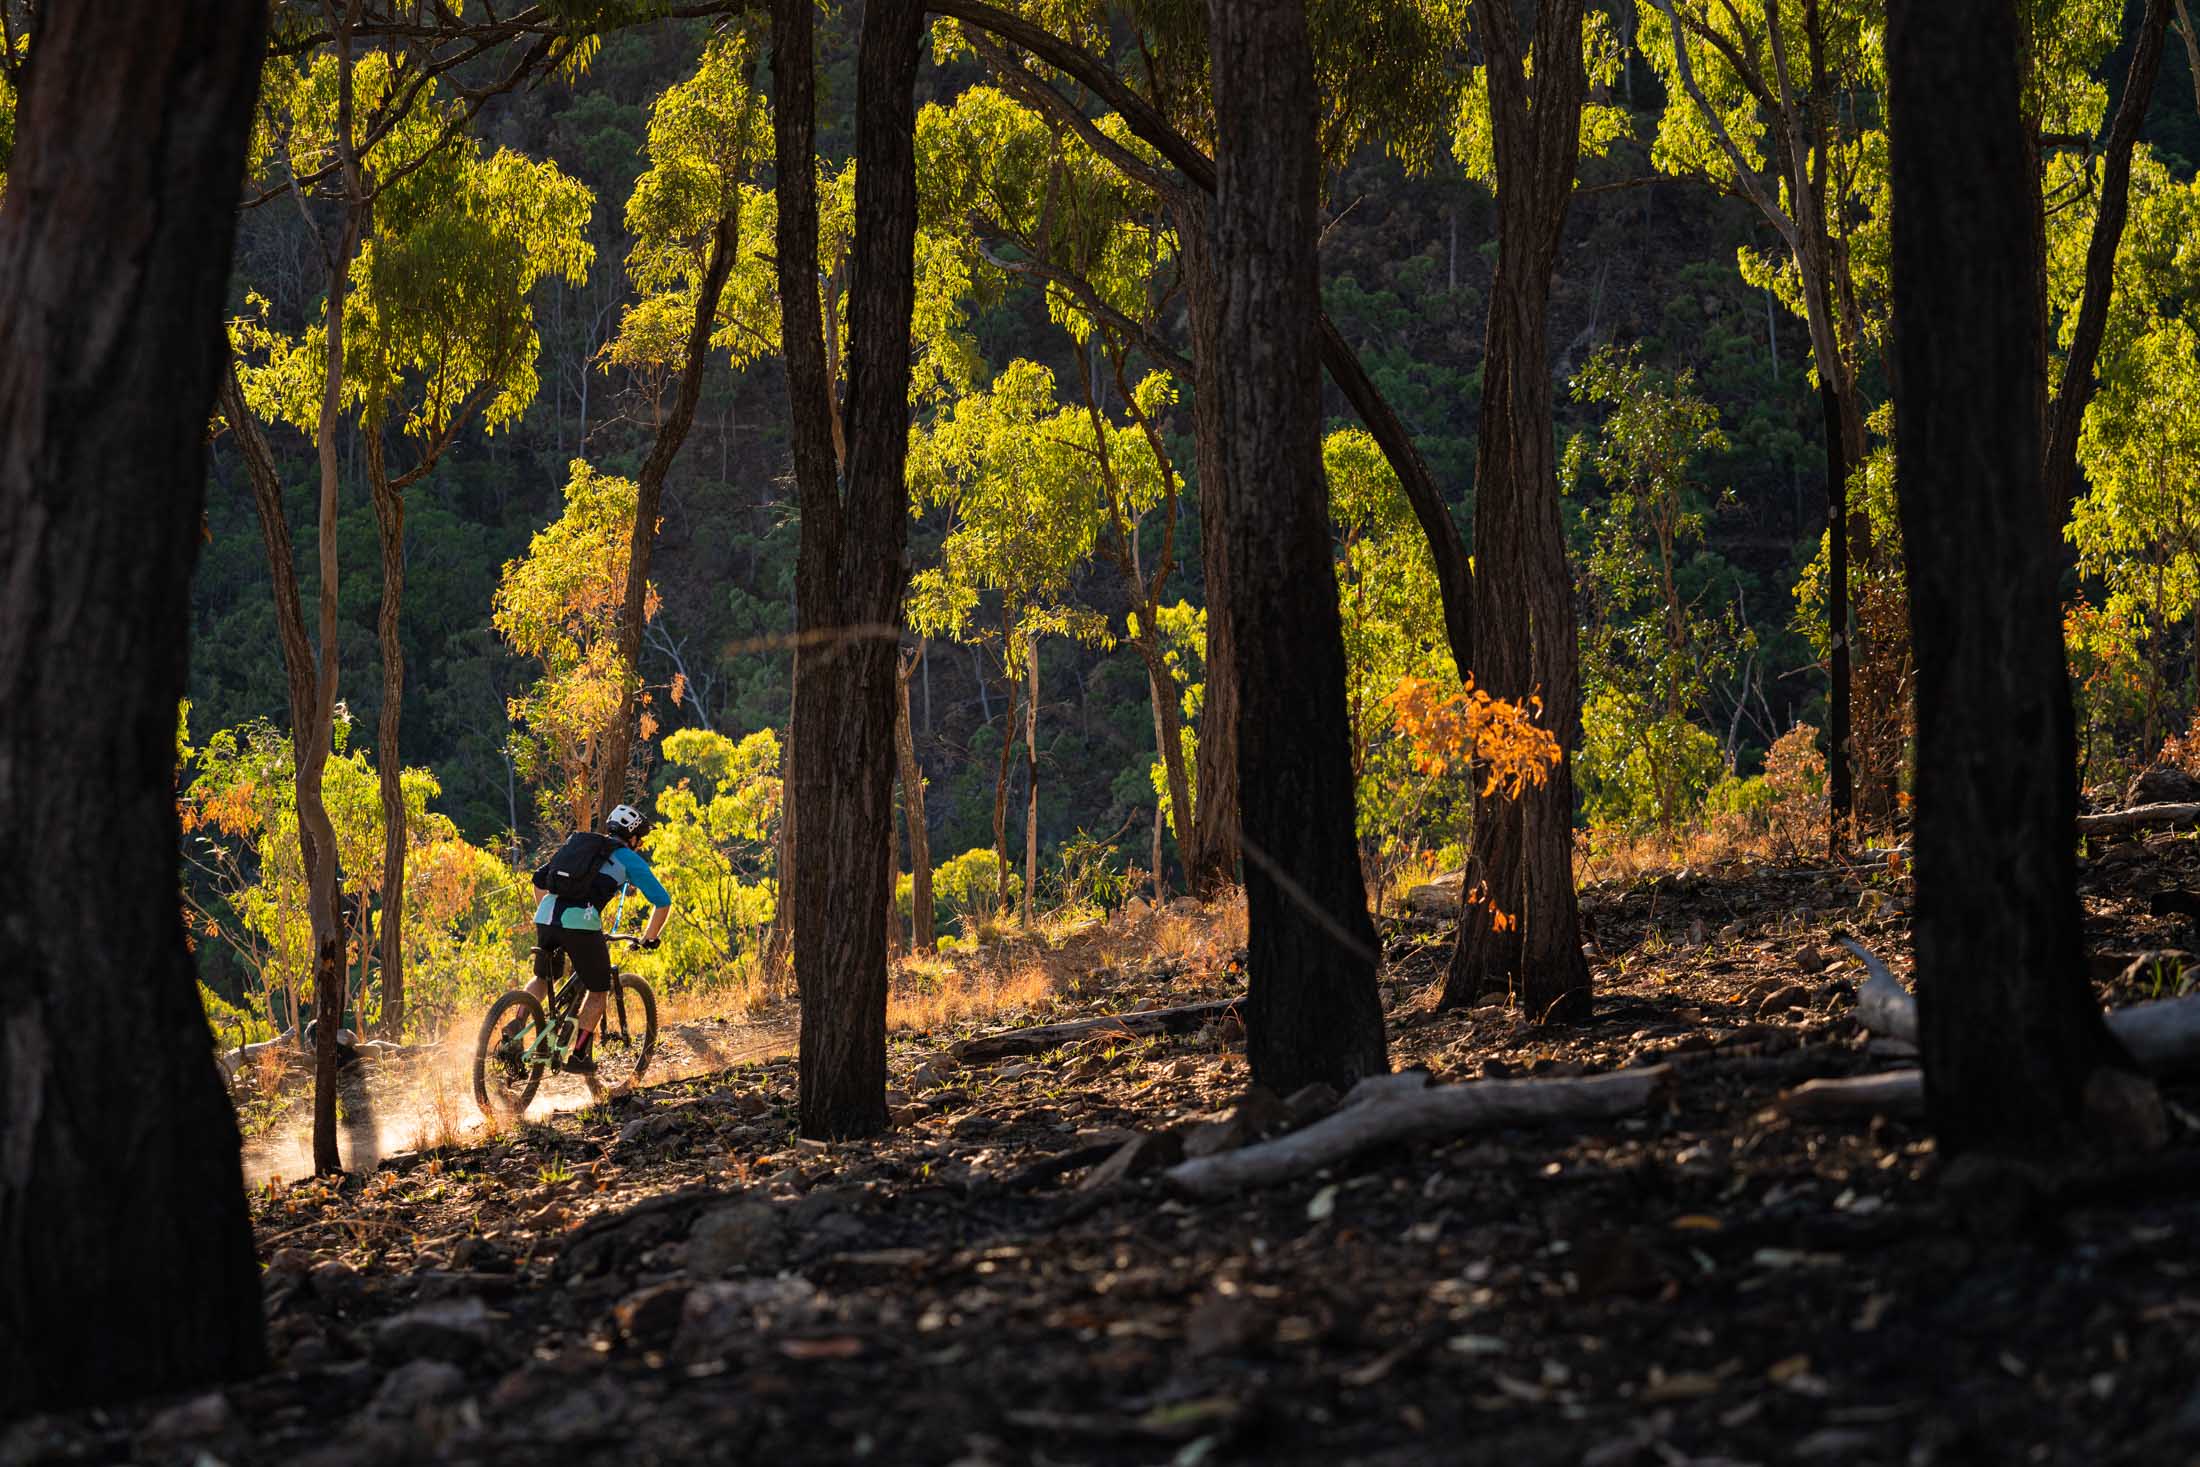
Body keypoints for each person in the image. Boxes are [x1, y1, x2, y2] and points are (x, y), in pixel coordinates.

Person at [518, 803, 673, 1075]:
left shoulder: (580, 845)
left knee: (544, 977)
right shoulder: (627, 857)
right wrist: (649, 938)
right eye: (640, 839)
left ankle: (516, 1027)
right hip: (581, 923)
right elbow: (662, 901)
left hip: (546, 916)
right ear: (633, 837)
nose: (639, 845)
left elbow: (539, 880)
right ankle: (578, 1055)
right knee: (599, 990)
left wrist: (549, 918)